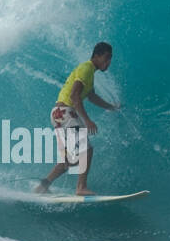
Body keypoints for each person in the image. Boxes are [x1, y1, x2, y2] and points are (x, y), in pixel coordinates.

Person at [34, 41, 119, 195]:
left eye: (110, 58)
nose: (108, 62)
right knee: (87, 149)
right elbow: (74, 95)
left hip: (57, 113)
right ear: (97, 56)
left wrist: (111, 107)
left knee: (68, 160)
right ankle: (81, 187)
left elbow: (92, 97)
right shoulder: (86, 68)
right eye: (106, 57)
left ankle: (43, 186)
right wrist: (87, 120)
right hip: (66, 112)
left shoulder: (89, 73)